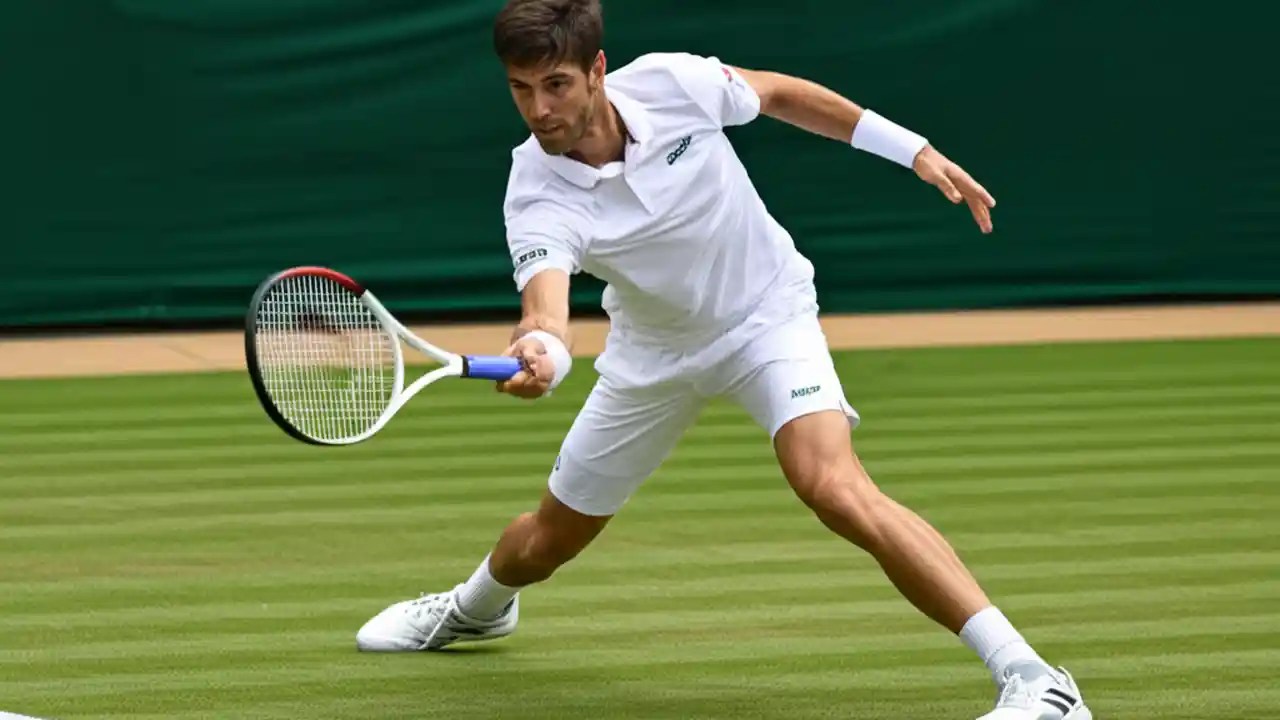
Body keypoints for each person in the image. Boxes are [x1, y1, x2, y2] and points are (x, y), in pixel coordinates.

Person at [356, 1, 1091, 718]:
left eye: (556, 85)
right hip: (654, 354)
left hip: (767, 316)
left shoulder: (676, 85)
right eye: (521, 89)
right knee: (548, 541)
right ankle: (476, 609)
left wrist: (914, 150)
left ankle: (1034, 679)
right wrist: (542, 349)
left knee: (831, 484)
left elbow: (780, 95)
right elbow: (546, 307)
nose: (539, 110)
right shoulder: (535, 187)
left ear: (598, 72)